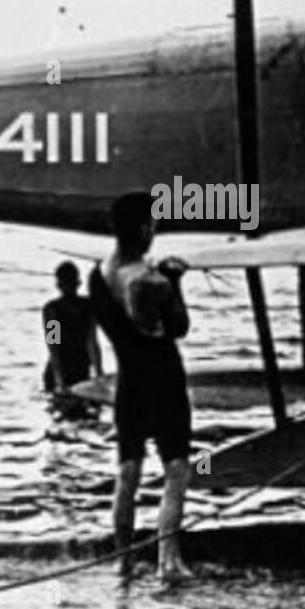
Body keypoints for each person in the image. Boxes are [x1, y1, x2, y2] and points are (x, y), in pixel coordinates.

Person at [88, 192, 193, 583]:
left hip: (127, 379)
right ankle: (169, 560)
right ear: (143, 228)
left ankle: (124, 562)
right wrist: (175, 281)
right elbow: (177, 329)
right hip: (163, 379)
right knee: (177, 470)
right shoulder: (150, 282)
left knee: (128, 472)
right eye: (152, 223)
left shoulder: (98, 272)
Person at [41, 260, 102, 395]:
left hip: (63, 371)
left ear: (58, 284)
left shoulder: (51, 309)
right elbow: (92, 342)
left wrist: (59, 382)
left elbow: (54, 346)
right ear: (78, 283)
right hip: (80, 369)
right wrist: (99, 375)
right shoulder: (88, 306)